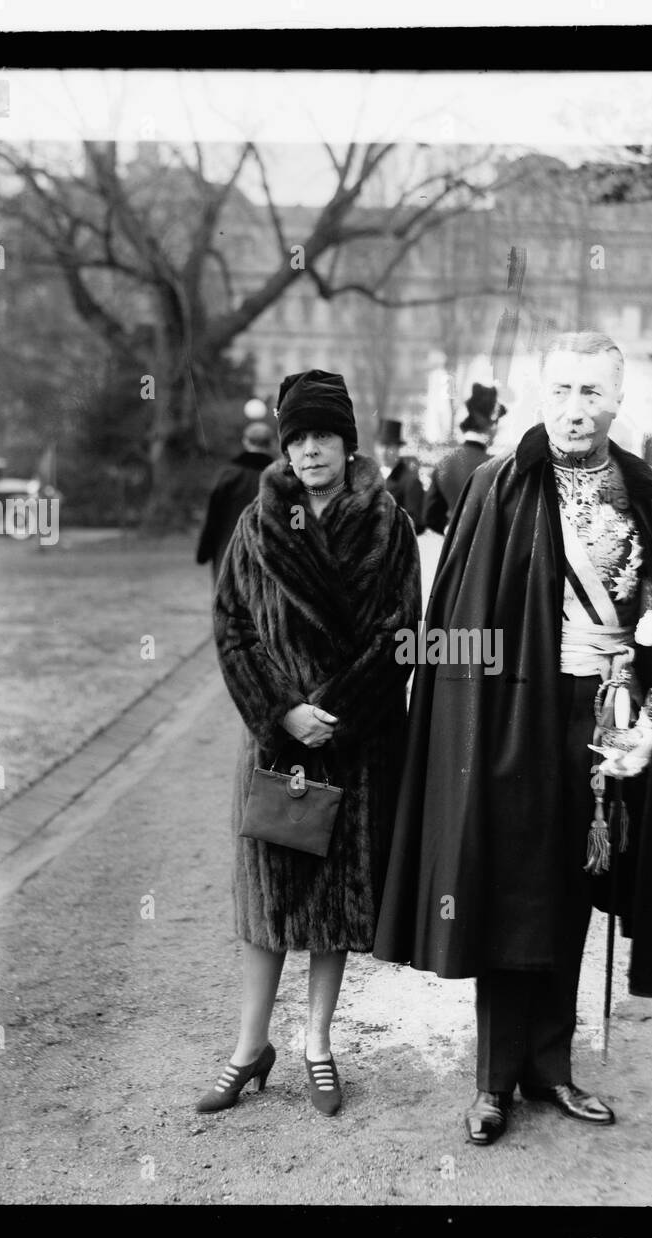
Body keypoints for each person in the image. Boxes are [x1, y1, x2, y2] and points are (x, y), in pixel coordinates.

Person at [374, 331, 652, 1146]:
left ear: (617, 403)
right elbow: (466, 616)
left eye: (592, 394)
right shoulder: (499, 487)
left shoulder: (645, 492)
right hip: (518, 712)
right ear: (544, 396)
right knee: (514, 884)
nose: (576, 409)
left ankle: (553, 1068)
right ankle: (495, 1081)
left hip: (610, 710)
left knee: (583, 879)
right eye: (564, 391)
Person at [196, 370, 421, 1117]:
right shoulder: (257, 523)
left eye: (323, 435)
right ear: (283, 446)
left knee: (335, 909)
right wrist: (283, 712)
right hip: (278, 744)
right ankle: (246, 1049)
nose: (310, 449)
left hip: (353, 744)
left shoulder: (388, 523)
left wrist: (339, 712)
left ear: (346, 442)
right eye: (297, 437)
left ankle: (317, 1043)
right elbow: (231, 626)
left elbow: (403, 634)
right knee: (267, 910)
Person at [196, 421, 275, 580]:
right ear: (271, 443)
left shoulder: (229, 476)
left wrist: (204, 551)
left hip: (229, 550)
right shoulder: (279, 477)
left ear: (245, 441)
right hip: (267, 553)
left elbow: (213, 517)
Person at [423, 383, 506, 535]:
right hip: (488, 553)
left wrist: (450, 530)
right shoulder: (497, 466)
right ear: (491, 425)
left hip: (453, 553)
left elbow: (430, 516)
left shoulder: (444, 463)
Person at [374, 418, 426, 534]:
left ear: (398, 449)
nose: (384, 452)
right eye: (381, 446)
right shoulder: (370, 477)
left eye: (389, 447)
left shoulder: (410, 482)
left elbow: (418, 524)